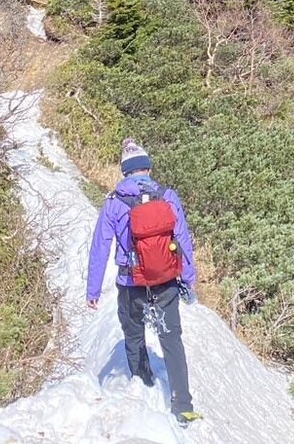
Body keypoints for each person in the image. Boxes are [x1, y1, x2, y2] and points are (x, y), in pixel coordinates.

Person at [87, 138, 200, 425]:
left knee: (134, 334)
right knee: (172, 339)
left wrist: (93, 290)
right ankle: (183, 404)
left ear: (124, 171)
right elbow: (183, 240)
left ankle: (143, 382)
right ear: (147, 168)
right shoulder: (167, 196)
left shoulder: (114, 202)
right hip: (165, 280)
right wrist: (188, 279)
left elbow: (100, 246)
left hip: (130, 281)